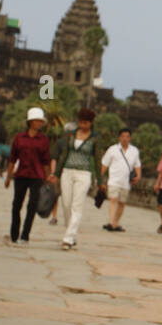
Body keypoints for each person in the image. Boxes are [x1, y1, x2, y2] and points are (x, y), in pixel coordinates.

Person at [5, 107, 55, 244]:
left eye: (41, 121)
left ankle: (25, 235)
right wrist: (8, 177)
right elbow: (12, 158)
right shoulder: (19, 138)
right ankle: (14, 232)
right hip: (21, 175)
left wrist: (47, 178)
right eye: (37, 120)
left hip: (37, 176)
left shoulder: (44, 140)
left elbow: (46, 161)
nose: (39, 123)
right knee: (17, 204)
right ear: (30, 121)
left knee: (32, 206)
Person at [54, 107, 100, 250]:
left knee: (77, 206)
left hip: (84, 173)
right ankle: (72, 234)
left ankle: (67, 239)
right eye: (81, 122)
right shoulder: (70, 135)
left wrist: (101, 180)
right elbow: (63, 155)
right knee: (66, 204)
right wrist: (56, 173)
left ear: (91, 123)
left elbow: (97, 159)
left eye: (86, 123)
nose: (83, 125)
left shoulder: (95, 138)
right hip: (67, 171)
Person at [100, 128, 142, 232]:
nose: (125, 139)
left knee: (122, 202)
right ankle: (111, 222)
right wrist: (100, 178)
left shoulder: (134, 151)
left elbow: (137, 165)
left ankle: (115, 223)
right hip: (114, 180)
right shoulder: (112, 149)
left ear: (130, 138)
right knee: (113, 199)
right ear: (119, 137)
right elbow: (105, 164)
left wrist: (138, 175)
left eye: (127, 136)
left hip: (126, 182)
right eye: (122, 136)